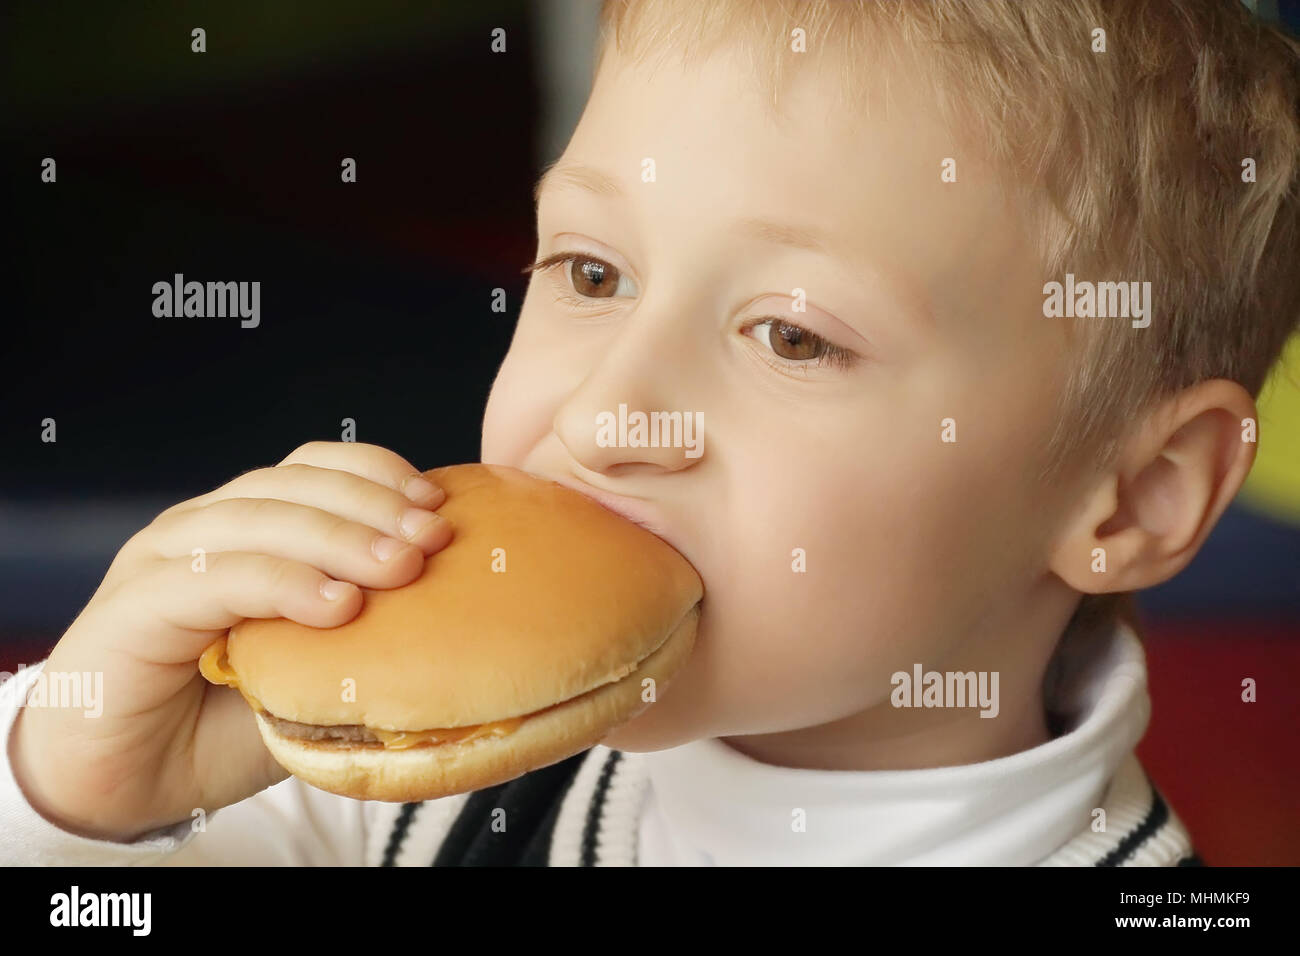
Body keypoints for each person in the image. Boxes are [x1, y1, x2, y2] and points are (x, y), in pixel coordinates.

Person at [4, 0, 1298, 866]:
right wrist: (80, 789)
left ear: (1137, 494)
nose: (607, 412)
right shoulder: (402, 788)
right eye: (591, 272)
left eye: (793, 336)